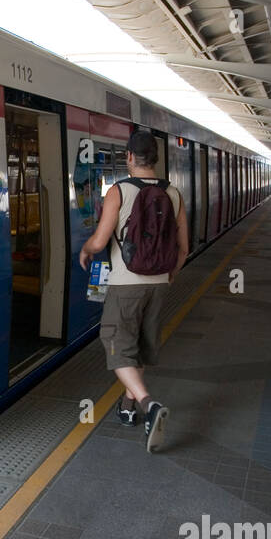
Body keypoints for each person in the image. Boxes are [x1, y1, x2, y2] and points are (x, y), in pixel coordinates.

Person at [78, 129, 188, 452]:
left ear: (129, 157)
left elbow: (100, 241)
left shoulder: (119, 191)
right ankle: (127, 409)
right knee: (139, 345)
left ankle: (147, 404)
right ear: (155, 158)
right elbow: (183, 247)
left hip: (126, 284)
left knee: (115, 344)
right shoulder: (173, 193)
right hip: (158, 284)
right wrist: (170, 275)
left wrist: (85, 250)